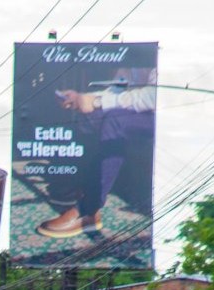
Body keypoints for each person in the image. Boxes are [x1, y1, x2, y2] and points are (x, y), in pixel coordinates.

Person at [38, 77, 158, 239]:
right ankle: (78, 186)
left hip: (165, 116)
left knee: (115, 120)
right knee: (90, 116)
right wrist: (82, 98)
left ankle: (88, 210)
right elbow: (123, 88)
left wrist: (96, 102)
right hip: (141, 107)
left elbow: (154, 97)